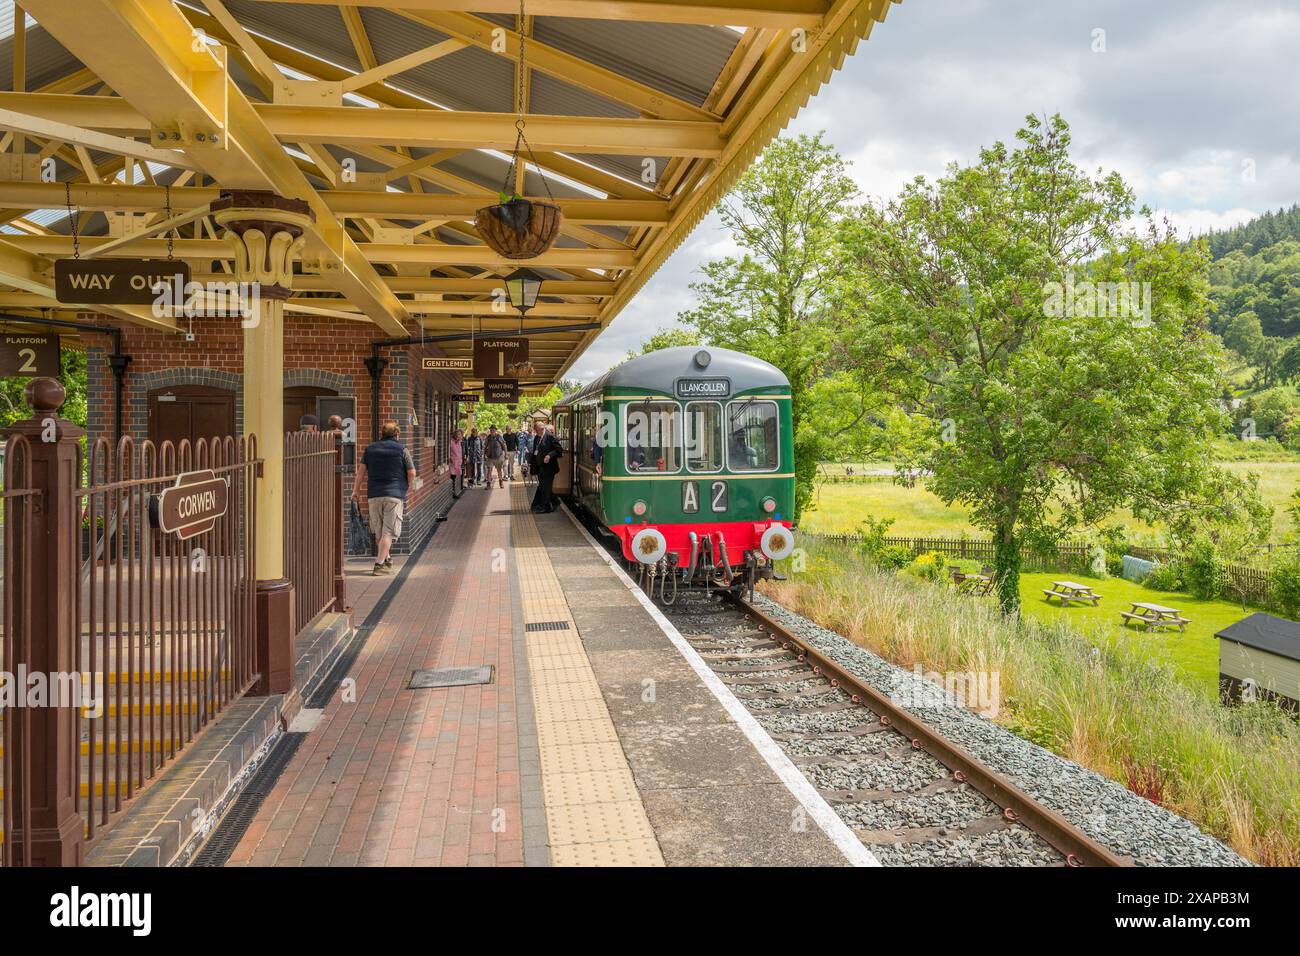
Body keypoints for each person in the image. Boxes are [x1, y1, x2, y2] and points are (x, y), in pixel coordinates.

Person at [353, 421, 416, 575]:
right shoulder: (402, 449)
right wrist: (407, 486)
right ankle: (379, 564)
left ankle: (386, 559)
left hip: (374, 495)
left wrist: (355, 490)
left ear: (382, 433)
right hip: (394, 496)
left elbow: (360, 472)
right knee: (388, 532)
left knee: (379, 532)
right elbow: (412, 472)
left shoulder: (370, 449)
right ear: (397, 434)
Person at [530, 418, 563, 513]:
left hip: (549, 468)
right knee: (543, 486)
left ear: (541, 429)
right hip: (540, 466)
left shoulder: (550, 437)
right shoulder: (537, 437)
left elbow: (559, 450)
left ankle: (546, 507)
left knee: (546, 487)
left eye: (536, 430)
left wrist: (549, 455)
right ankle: (555, 501)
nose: (536, 432)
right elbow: (535, 451)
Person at [448, 427, 464, 498]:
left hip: (458, 463)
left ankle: (454, 492)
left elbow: (460, 453)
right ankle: (453, 493)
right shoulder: (451, 442)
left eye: (460, 434)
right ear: (455, 435)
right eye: (457, 434)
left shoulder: (459, 442)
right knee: (452, 477)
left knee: (455, 477)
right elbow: (448, 451)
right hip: (452, 463)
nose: (459, 435)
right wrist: (449, 458)